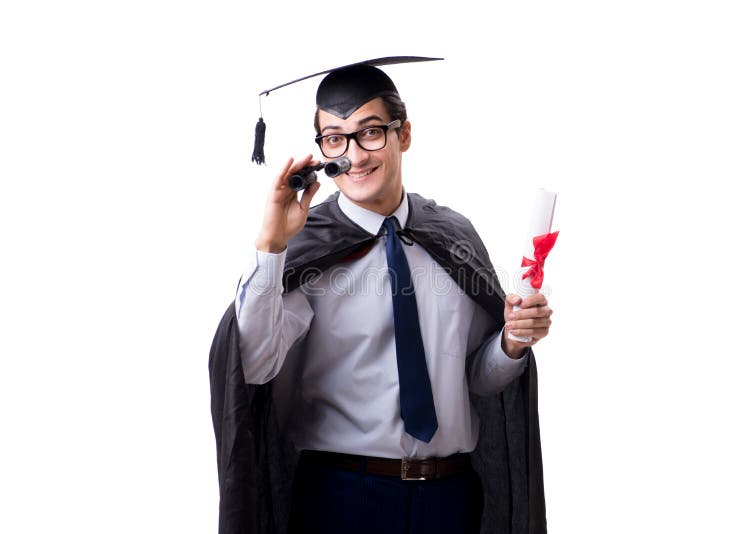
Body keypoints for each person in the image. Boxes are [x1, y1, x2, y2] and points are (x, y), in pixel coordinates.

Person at [209, 58, 552, 534]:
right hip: (341, 499)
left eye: (370, 132)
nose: (355, 155)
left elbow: (476, 377)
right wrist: (271, 245)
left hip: (449, 500)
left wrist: (512, 343)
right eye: (335, 138)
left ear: (403, 135)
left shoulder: (453, 236)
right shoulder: (303, 248)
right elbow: (253, 364)